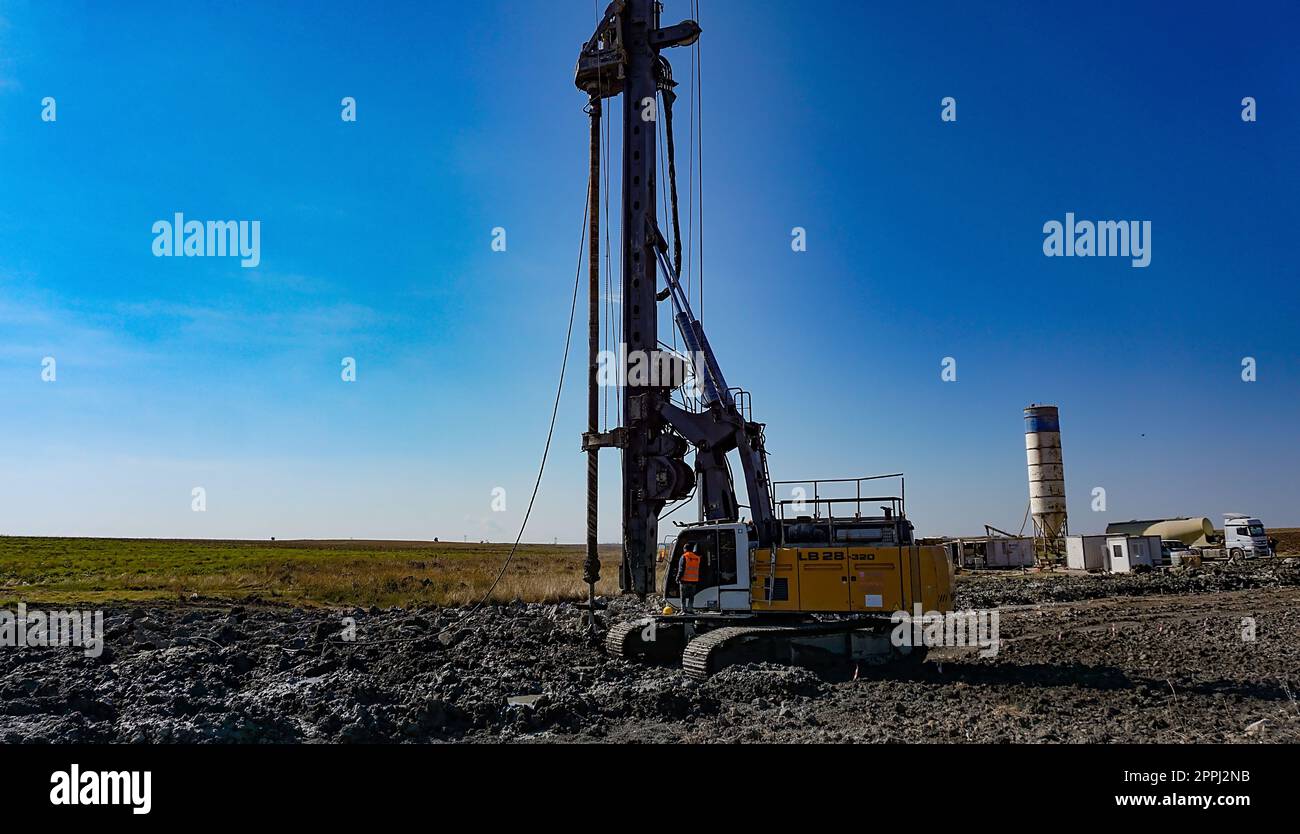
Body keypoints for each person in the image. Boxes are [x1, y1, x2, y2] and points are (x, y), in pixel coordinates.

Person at [676, 543, 701, 612]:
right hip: (694, 581)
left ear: (685, 549)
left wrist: (677, 578)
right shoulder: (697, 558)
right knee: (691, 597)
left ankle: (683, 610)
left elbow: (681, 570)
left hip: (684, 580)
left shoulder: (684, 556)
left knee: (683, 597)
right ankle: (690, 609)